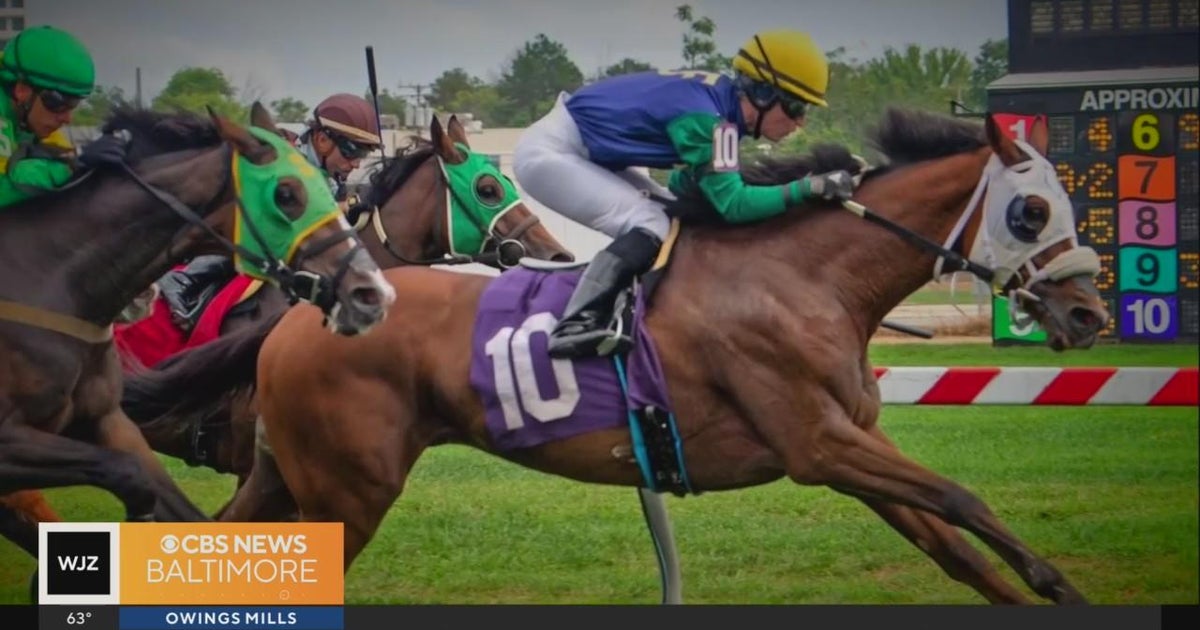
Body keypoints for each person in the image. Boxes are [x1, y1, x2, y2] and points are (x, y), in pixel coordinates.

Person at [512, 29, 856, 359]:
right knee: (649, 221)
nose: (800, 122)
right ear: (763, 93)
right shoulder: (709, 120)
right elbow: (734, 205)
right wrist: (808, 188)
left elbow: (684, 187)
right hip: (552, 152)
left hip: (586, 150)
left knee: (670, 215)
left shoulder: (722, 112)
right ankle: (576, 323)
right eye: (796, 108)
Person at [159, 93, 382, 332]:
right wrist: (345, 206)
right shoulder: (285, 155)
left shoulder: (331, 172)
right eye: (352, 152)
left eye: (363, 155)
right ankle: (185, 279)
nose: (356, 164)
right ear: (322, 140)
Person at [0, 25, 115, 207]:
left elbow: (66, 160)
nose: (66, 119)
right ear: (22, 90)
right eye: (58, 103)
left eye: (73, 105)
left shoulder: (38, 119)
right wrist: (71, 167)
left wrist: (82, 159)